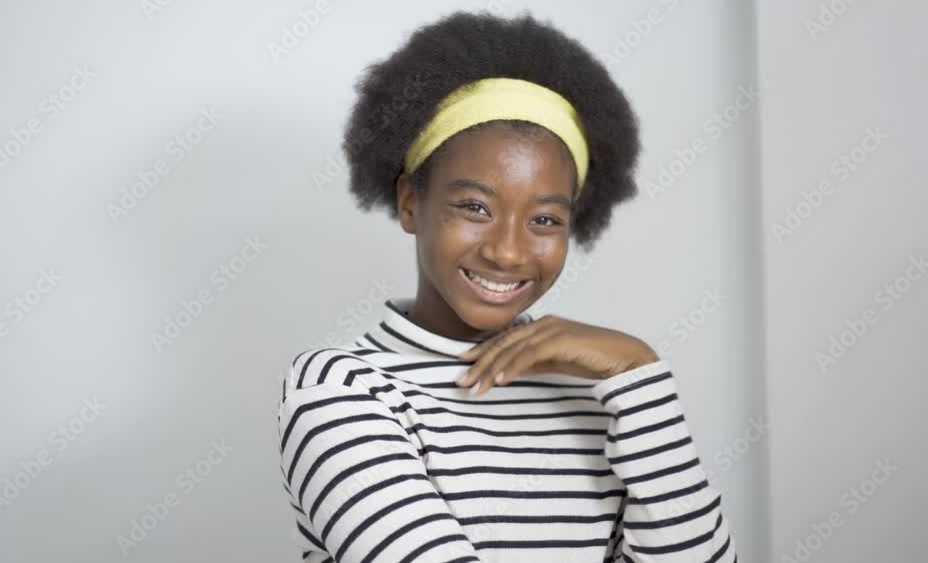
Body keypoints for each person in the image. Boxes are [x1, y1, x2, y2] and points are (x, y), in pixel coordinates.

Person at [277, 10, 739, 562]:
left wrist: (640, 373)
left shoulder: (603, 398)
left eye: (545, 219)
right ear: (409, 202)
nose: (508, 250)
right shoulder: (343, 389)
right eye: (474, 207)